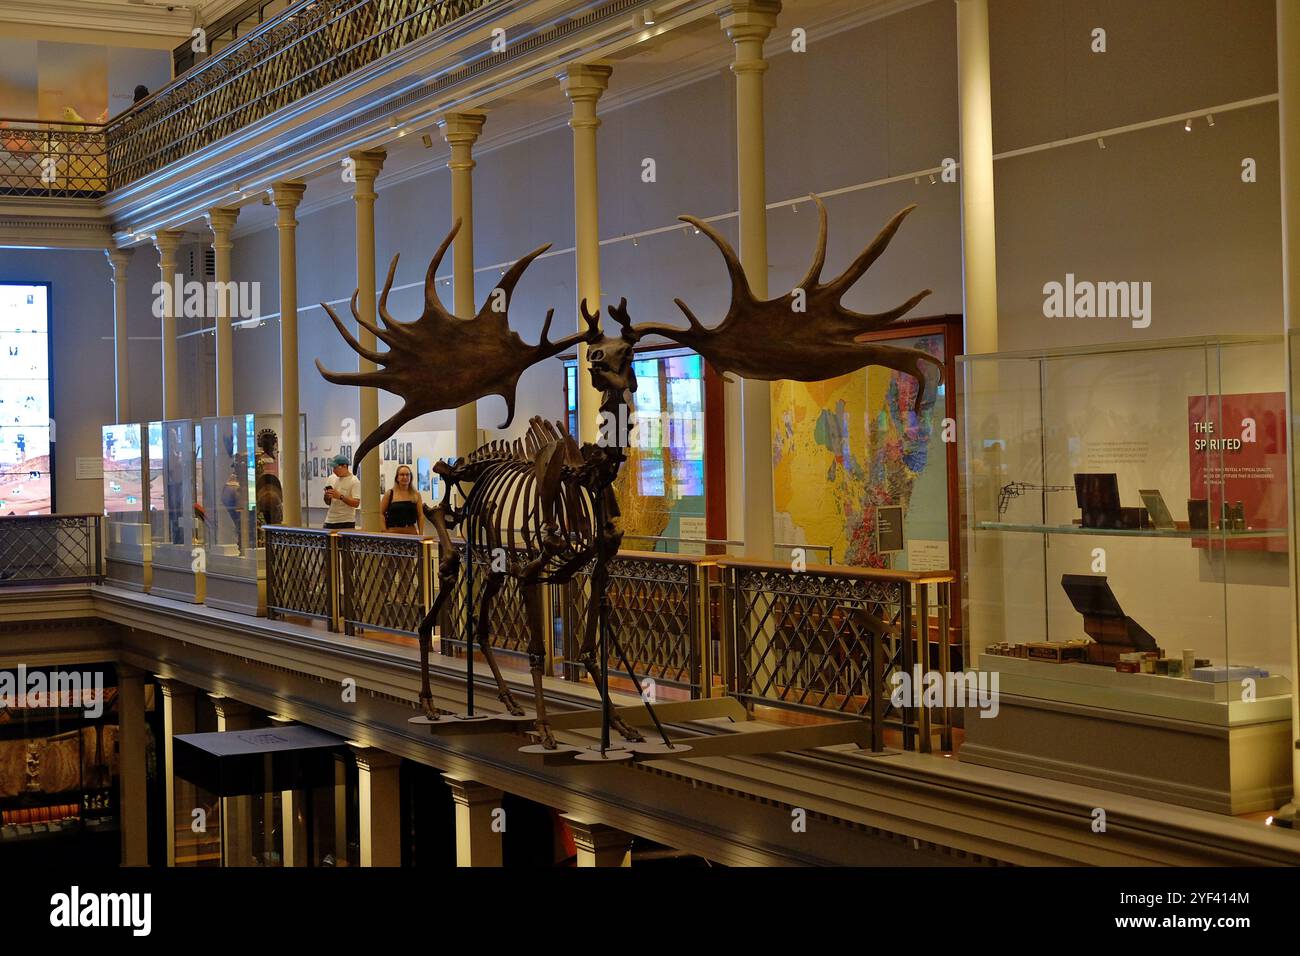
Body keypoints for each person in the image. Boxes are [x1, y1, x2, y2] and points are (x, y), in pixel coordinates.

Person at [381, 464, 423, 535]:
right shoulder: (389, 494)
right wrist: (384, 530)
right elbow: (381, 513)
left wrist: (421, 533)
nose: (405, 477)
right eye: (402, 475)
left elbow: (420, 515)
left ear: (411, 477)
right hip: (393, 533)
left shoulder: (416, 495)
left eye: (407, 475)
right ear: (397, 477)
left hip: (411, 532)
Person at [323, 454, 361, 529]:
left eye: (335, 468)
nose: (333, 470)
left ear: (344, 466)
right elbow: (328, 502)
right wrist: (326, 496)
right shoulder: (331, 478)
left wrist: (340, 496)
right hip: (330, 520)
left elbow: (356, 503)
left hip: (346, 521)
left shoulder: (354, 481)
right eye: (333, 468)